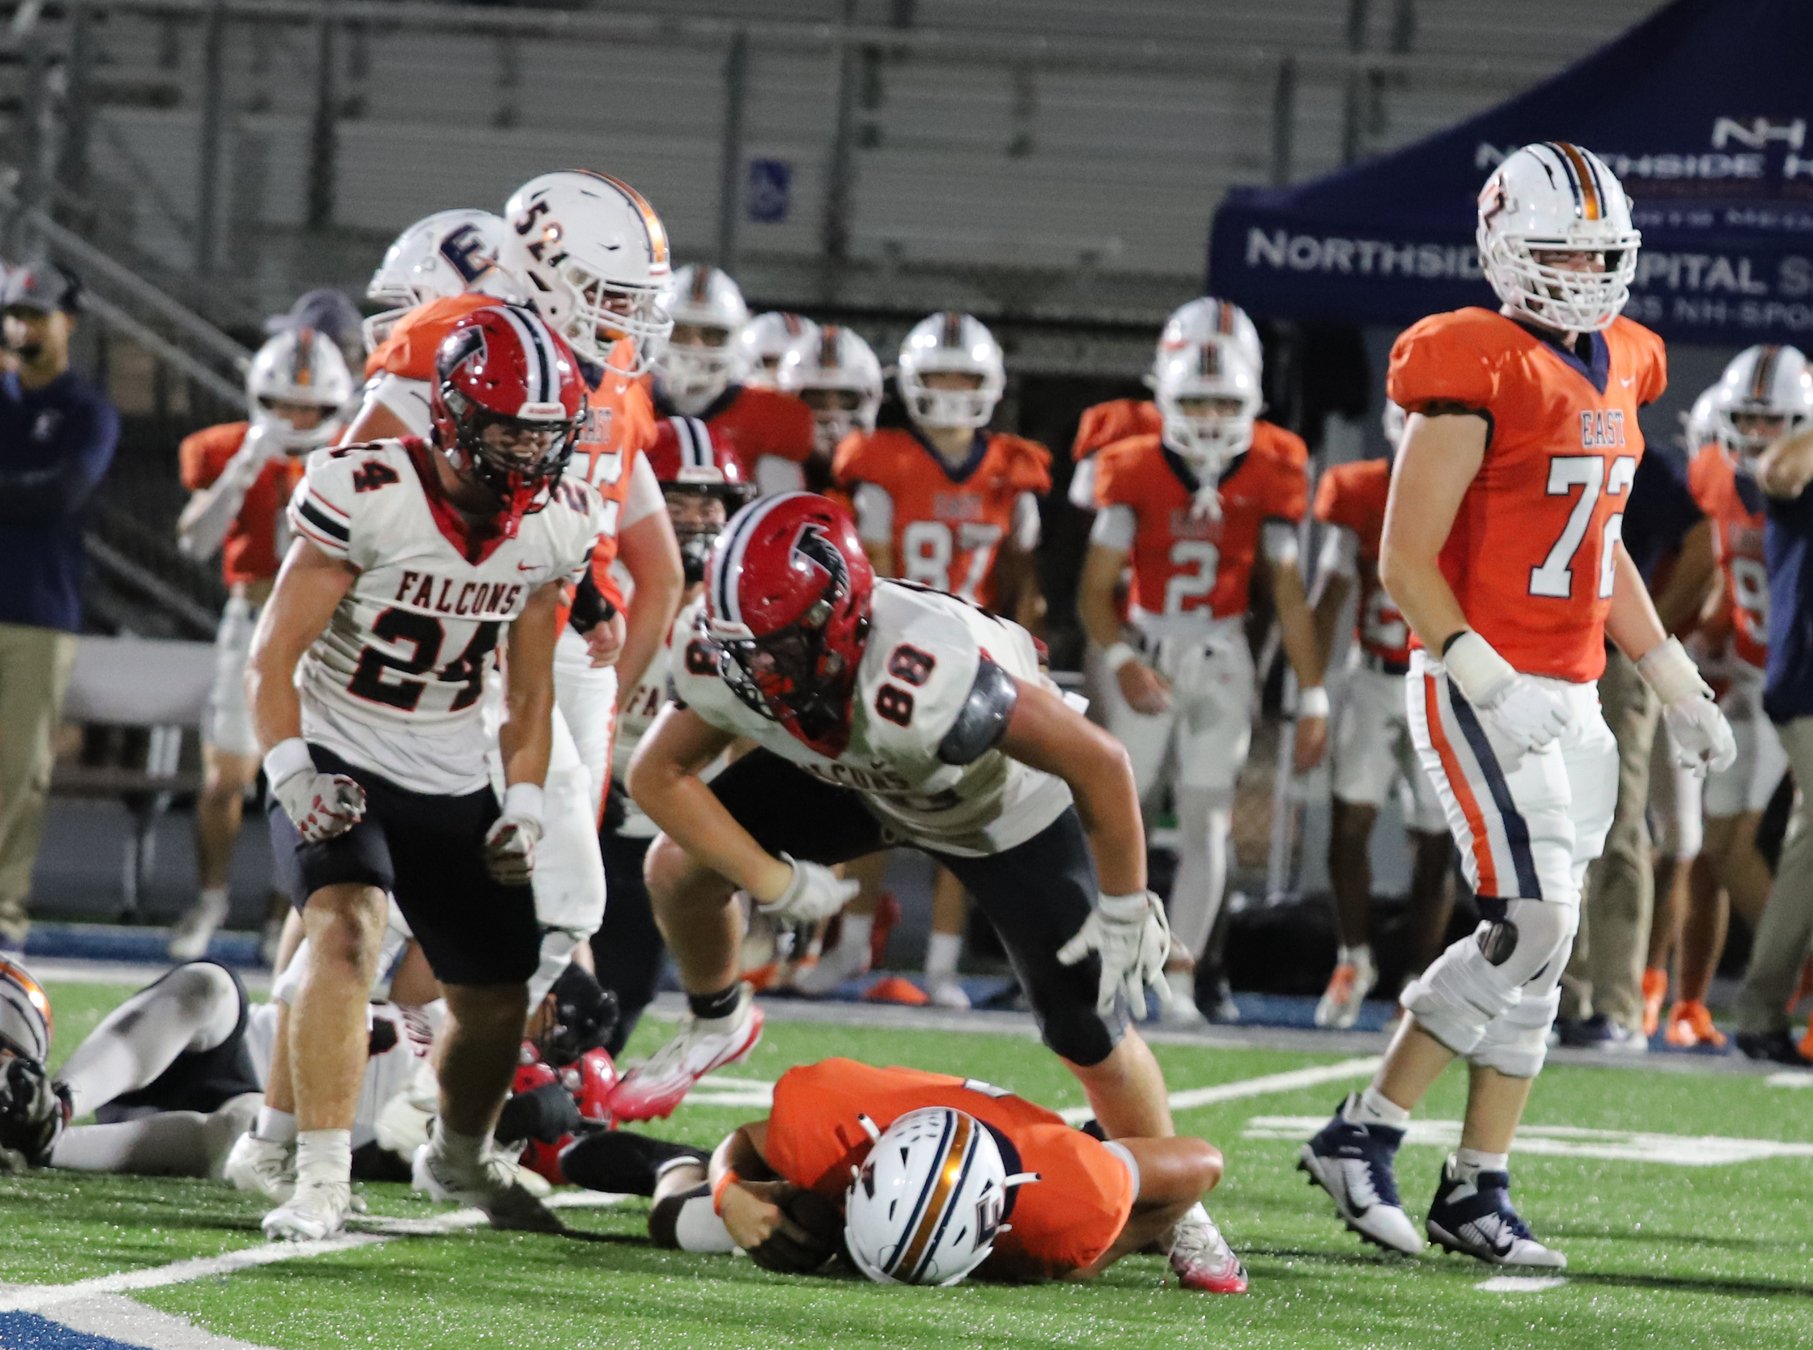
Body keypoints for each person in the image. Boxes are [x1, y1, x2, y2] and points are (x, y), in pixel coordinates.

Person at [1300, 142, 1734, 1268]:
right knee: (1532, 922)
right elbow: (1403, 557)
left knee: (1549, 945)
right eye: (1557, 249)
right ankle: (1367, 1127)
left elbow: (1601, 551)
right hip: (1477, 681)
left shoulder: (1630, 359)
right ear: (1502, 247)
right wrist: (1480, 669)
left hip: (1578, 689)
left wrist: (1671, 676)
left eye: (1598, 250)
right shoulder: (1469, 360)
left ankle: (1477, 1184)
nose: (1581, 270)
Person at [614, 492, 1237, 1272]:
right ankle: (717, 1017)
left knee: (1087, 1020)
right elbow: (657, 774)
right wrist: (771, 880)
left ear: (842, 619)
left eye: (782, 647)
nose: (762, 671)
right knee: (676, 869)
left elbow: (1097, 761)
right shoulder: (730, 659)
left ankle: (1178, 1209)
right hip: (859, 780)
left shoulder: (923, 668)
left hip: (996, 804)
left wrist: (1123, 903)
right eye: (749, 650)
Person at [245, 304, 606, 1241]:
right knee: (345, 932)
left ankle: (455, 1155)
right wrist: (292, 776)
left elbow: (529, 697)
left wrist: (522, 805)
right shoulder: (368, 490)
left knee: (496, 995)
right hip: (337, 744)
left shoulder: (554, 526)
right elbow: (270, 659)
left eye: (545, 434)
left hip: (448, 764)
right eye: (508, 430)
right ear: (447, 417)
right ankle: (320, 1175)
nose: (530, 454)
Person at [1077, 323, 1327, 1025]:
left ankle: (1178, 976)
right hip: (1148, 647)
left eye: (1226, 403)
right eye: (1199, 402)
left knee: (1207, 819)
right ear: (1165, 396)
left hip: (1220, 655)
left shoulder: (1275, 465)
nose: (1212, 419)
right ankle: (1107, 966)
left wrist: (1312, 696)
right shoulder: (1129, 463)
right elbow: (1094, 587)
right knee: (1115, 814)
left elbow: (1286, 594)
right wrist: (1121, 660)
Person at [808, 312, 1051, 1007]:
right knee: (870, 803)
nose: (949, 390)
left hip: (977, 651)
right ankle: (851, 945)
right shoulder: (880, 460)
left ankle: (942, 967)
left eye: (963, 377)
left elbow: (1021, 572)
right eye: (938, 376)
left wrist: (1025, 634)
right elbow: (875, 565)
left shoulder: (1011, 466)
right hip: (897, 646)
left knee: (968, 811)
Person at [562, 1056, 1243, 1292]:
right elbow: (743, 1141)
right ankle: (620, 1155)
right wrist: (727, 1190)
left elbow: (1201, 1163)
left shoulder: (1069, 1203)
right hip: (888, 1123)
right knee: (678, 1220)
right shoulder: (828, 1127)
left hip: (1048, 1164)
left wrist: (1160, 1218)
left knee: (1095, 1241)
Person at [172, 328, 355, 961]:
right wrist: (244, 469)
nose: (296, 418)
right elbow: (193, 544)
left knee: (310, 780)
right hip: (249, 618)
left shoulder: (356, 454)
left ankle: (286, 914)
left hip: (328, 630)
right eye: (283, 403)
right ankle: (210, 899)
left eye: (309, 408)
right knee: (225, 778)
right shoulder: (227, 449)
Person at [1659, 347, 1809, 1050]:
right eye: (1744, 416)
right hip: (1770, 678)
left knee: (1753, 849)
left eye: (1768, 417)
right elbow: (1732, 562)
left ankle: (1770, 996)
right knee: (1717, 846)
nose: (1753, 432)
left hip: (1776, 672)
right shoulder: (1738, 474)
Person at [591, 415, 752, 1051]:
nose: (694, 518)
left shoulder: (742, 606)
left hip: (673, 819)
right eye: (674, 500)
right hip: (592, 799)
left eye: (708, 501)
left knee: (628, 982)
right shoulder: (606, 587)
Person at [1555, 418, 1713, 1051]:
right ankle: (1558, 994)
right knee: (1548, 827)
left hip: (1609, 660)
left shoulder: (1637, 460)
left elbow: (1701, 549)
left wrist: (1646, 644)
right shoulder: (1538, 438)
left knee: (1617, 824)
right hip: (1541, 653)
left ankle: (1615, 1001)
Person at [1309, 402, 1453, 1028]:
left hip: (1443, 681)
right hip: (1372, 674)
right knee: (1349, 823)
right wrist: (1310, 691)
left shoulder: (1473, 494)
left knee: (1438, 840)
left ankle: (1418, 981)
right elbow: (1330, 592)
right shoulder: (1360, 491)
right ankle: (1353, 958)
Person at [0, 261, 119, 952]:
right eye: (14, 315)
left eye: (36, 315)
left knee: (17, 773)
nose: (21, 328)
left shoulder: (86, 409)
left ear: (67, 322)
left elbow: (62, 493)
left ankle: (5, 912)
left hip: (41, 609)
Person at [1731, 379, 1813, 1065]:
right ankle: (1759, 1008)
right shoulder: (1795, 464)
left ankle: (1761, 1010)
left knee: (1804, 854)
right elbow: (1779, 472)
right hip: (1806, 685)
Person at [652, 265, 817, 499]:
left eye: (710, 334)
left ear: (737, 337)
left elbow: (782, 514)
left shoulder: (771, 415)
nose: (694, 347)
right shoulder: (630, 397)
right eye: (680, 331)